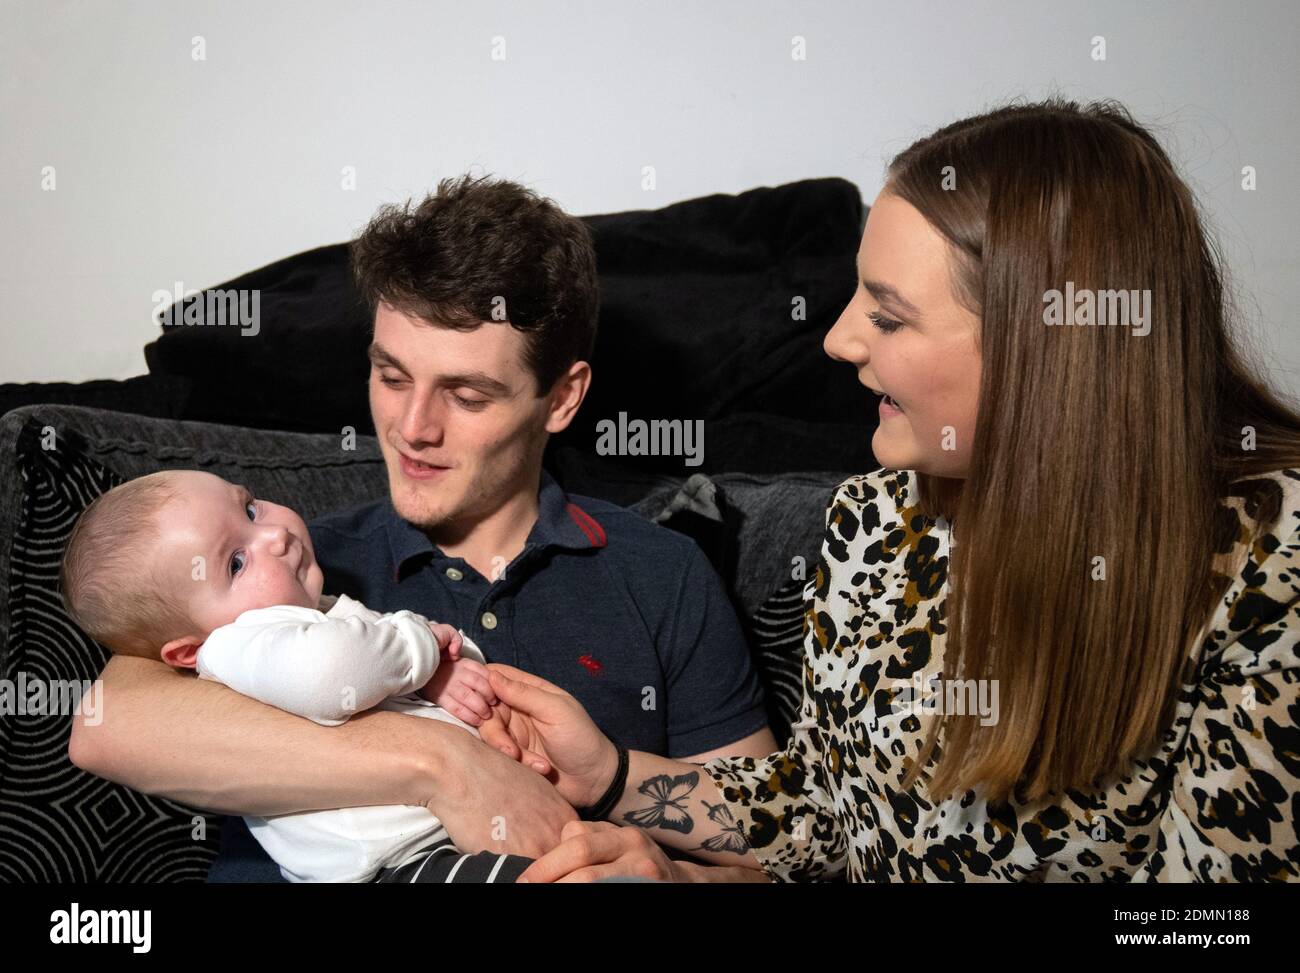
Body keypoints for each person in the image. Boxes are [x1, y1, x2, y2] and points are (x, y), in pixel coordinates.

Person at [480, 100, 1300, 883]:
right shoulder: (875, 517)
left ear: (1046, 347)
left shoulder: (1267, 567)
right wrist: (617, 775)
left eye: (890, 315)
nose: (838, 340)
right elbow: (831, 817)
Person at [68, 175, 777, 878]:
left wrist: (679, 877)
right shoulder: (284, 573)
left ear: (561, 398)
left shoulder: (662, 573)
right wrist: (443, 762)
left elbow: (776, 846)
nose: (411, 430)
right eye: (392, 376)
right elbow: (106, 727)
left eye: (465, 395)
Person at [59, 467, 545, 882]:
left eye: (249, 509)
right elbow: (331, 673)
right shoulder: (237, 643)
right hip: (394, 863)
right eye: (235, 562)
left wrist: (438, 673)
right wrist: (423, 646)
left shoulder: (310, 611)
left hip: (438, 835)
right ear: (188, 652)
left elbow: (381, 668)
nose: (275, 535)